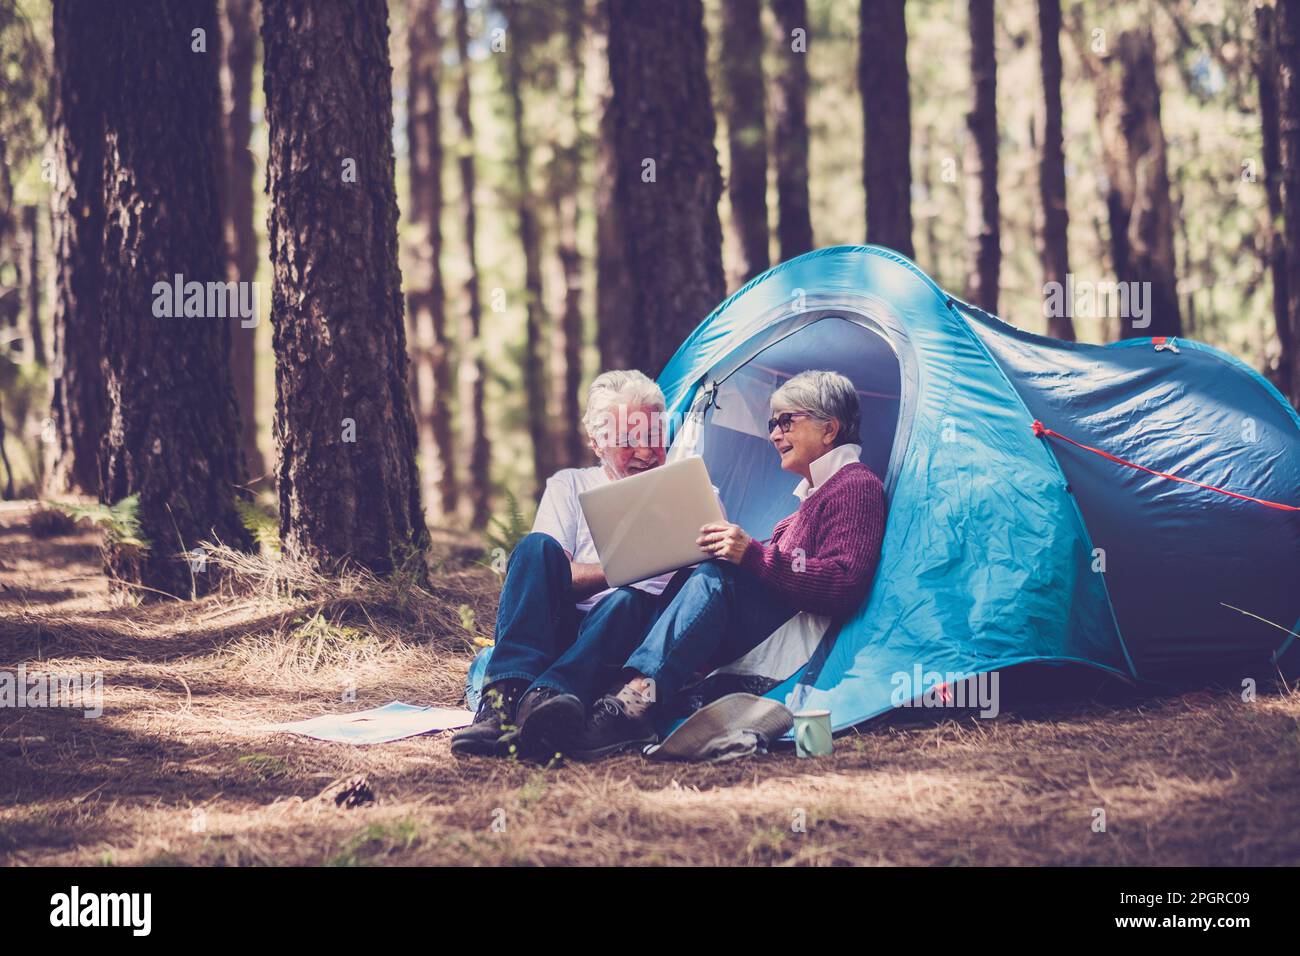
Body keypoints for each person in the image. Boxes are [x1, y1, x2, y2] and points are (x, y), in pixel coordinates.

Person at [566, 369, 887, 760]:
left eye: (787, 421)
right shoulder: (817, 495)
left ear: (829, 429)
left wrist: (752, 555)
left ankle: (632, 703)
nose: (774, 434)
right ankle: (613, 694)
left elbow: (843, 583)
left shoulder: (855, 486)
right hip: (768, 627)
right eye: (772, 423)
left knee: (718, 575)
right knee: (686, 574)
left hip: (795, 640)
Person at [451, 370, 678, 757]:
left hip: (630, 639)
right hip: (566, 629)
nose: (644, 451)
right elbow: (554, 574)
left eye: (653, 437)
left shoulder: (690, 492)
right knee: (536, 547)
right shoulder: (570, 486)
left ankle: (547, 698)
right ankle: (503, 702)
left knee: (626, 601)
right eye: (627, 440)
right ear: (596, 443)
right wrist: (623, 569)